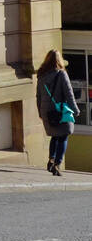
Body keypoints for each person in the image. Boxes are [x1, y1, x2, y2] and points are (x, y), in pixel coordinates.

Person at [36, 48, 80, 176]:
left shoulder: (41, 75)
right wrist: (76, 110)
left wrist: (40, 112)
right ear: (59, 60)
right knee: (64, 136)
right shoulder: (61, 74)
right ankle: (57, 164)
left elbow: (38, 96)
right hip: (60, 111)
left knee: (55, 136)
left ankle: (51, 159)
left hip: (47, 112)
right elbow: (69, 94)